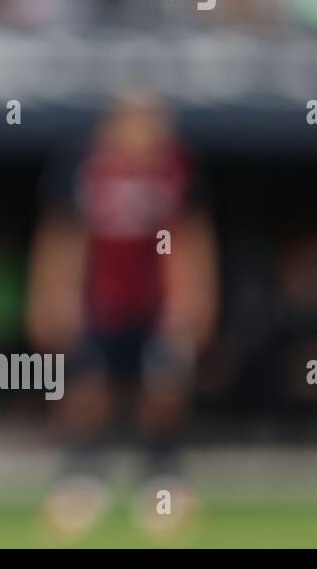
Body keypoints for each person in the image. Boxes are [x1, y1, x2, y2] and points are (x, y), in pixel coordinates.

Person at [27, 91, 217, 538]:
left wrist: (194, 301)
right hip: (99, 302)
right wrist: (52, 297)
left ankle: (161, 481)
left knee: (164, 389)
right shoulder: (82, 168)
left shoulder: (177, 169)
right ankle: (81, 477)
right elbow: (61, 237)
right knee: (86, 389)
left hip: (156, 303)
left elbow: (189, 238)